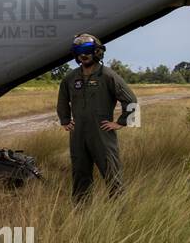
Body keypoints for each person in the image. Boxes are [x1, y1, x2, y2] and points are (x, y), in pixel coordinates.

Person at [56, 33, 137, 200]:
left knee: (112, 175)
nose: (83, 54)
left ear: (97, 51)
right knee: (80, 175)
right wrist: (65, 120)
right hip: (78, 135)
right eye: (79, 50)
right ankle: (81, 213)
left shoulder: (108, 76)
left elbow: (131, 100)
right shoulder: (70, 78)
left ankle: (119, 211)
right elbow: (62, 100)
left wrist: (121, 122)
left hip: (102, 134)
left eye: (87, 50)